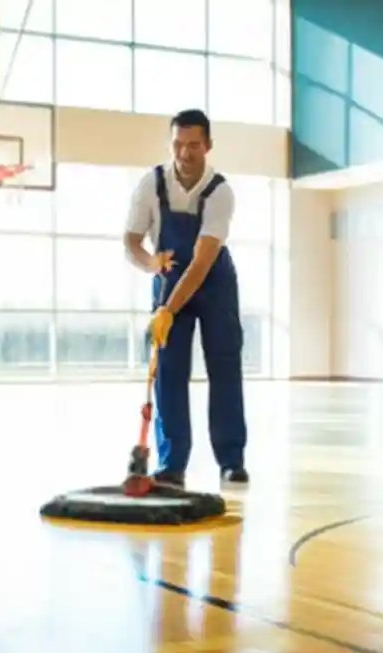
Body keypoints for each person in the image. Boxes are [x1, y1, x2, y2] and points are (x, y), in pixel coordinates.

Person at [123, 109, 248, 488]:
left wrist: (167, 309)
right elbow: (131, 243)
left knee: (224, 368)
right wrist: (152, 263)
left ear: (208, 145)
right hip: (168, 280)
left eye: (194, 144)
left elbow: (202, 259)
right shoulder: (151, 184)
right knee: (169, 373)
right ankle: (172, 463)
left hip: (212, 283)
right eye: (178, 144)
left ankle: (231, 460)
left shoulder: (219, 191)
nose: (185, 152)